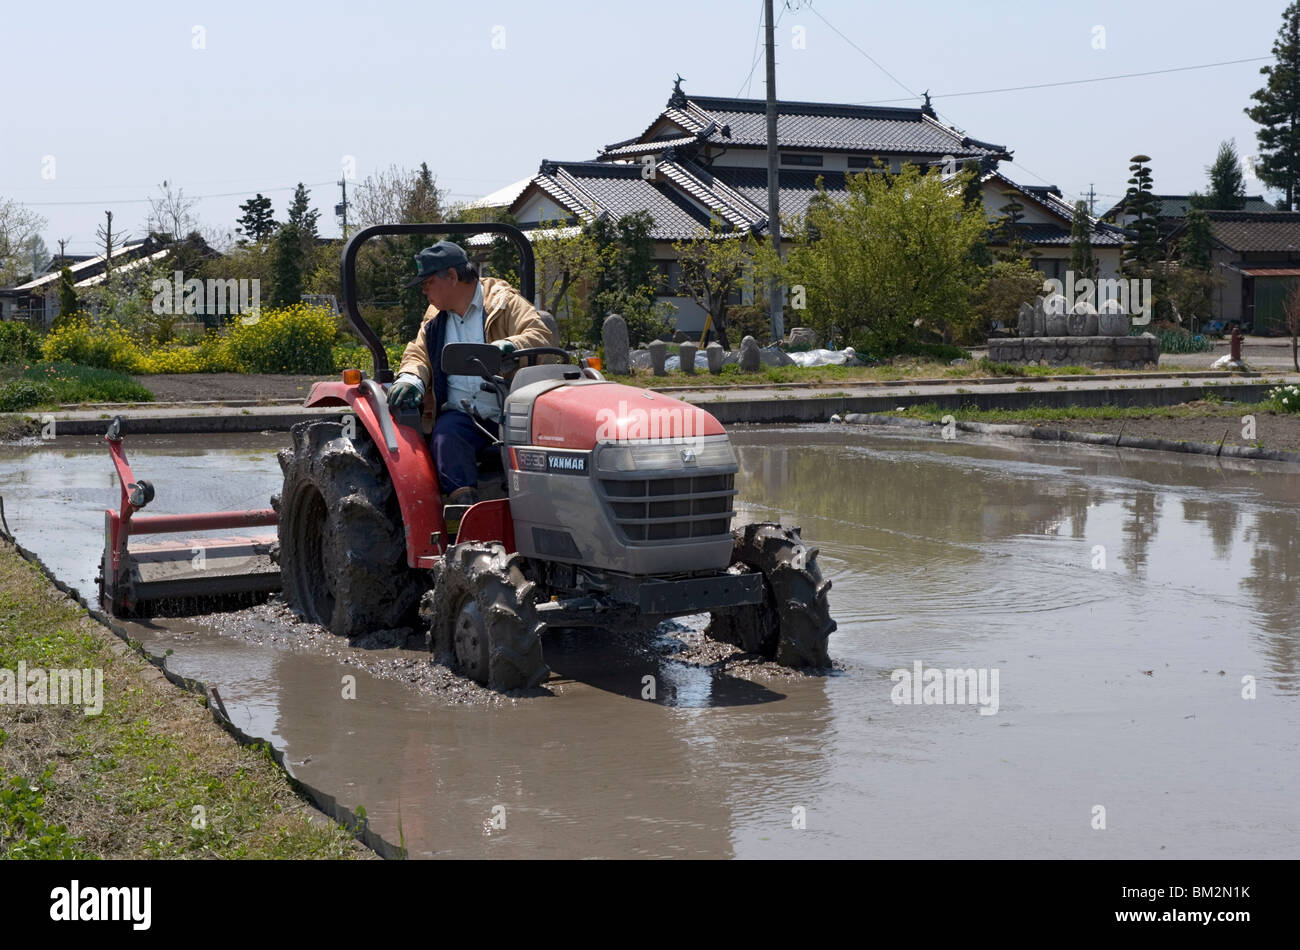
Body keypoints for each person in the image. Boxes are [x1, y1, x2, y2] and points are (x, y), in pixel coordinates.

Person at [387, 241, 551, 505]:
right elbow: (417, 355)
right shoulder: (434, 318)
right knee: (446, 437)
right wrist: (411, 378)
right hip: (463, 416)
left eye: (428, 282)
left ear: (451, 277)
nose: (424, 290)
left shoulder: (503, 303)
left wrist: (511, 346)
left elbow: (540, 334)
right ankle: (465, 508)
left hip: (509, 411)